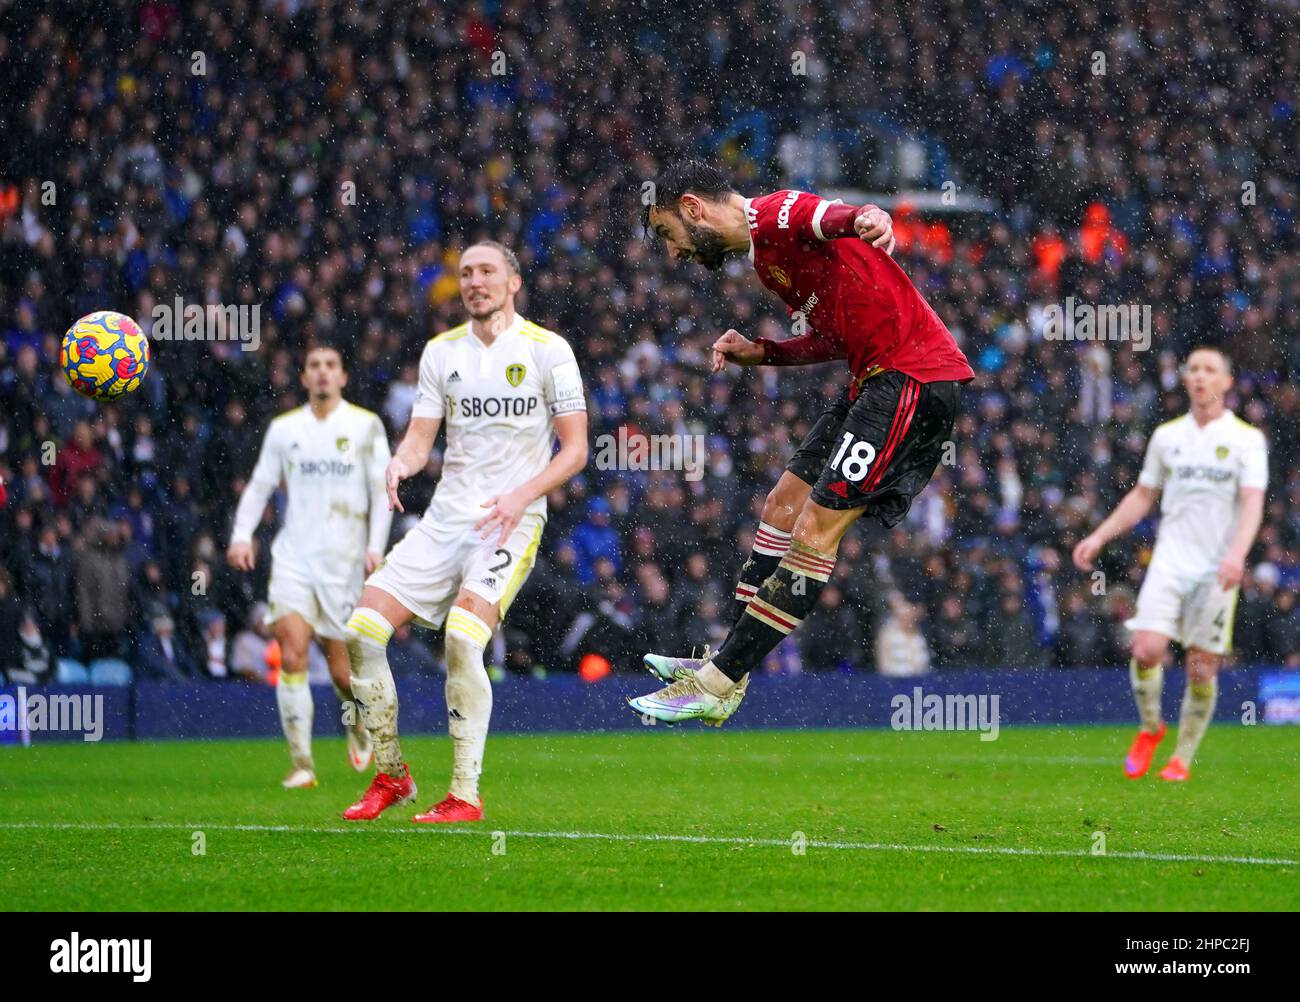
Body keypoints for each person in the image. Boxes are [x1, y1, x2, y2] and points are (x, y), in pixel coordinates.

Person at [631, 160, 972, 724]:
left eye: (668, 233)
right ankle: (724, 666)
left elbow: (836, 215)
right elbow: (833, 339)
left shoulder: (775, 214)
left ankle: (720, 681)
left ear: (693, 208)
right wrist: (764, 352)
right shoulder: (768, 264)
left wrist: (869, 217)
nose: (674, 253)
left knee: (815, 532)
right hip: (871, 378)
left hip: (914, 377)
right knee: (782, 504)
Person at [341, 241, 588, 824]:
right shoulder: (440, 353)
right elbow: (422, 437)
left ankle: (464, 795)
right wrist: (402, 462)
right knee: (360, 632)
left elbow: (575, 450)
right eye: (467, 273)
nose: (475, 281)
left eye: (487, 272)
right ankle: (392, 775)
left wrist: (522, 494)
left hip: (511, 520)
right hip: (445, 518)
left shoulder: (548, 350)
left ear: (513, 282)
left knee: (461, 638)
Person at [1073, 347, 1266, 782]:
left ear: (1226, 382)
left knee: (1202, 666)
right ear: (1186, 380)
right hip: (1170, 561)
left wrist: (1237, 555)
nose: (1200, 376)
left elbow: (1253, 504)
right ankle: (1150, 728)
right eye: (1193, 369)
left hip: (1217, 568)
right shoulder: (1167, 436)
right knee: (1146, 649)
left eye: (1210, 370)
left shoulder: (1246, 441)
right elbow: (1143, 496)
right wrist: (1100, 535)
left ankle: (1181, 756)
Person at [227, 343, 393, 789]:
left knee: (342, 671)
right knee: (292, 653)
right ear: (303, 378)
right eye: (314, 366)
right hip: (293, 559)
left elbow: (382, 493)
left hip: (343, 563)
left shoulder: (365, 426)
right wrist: (242, 535)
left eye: (331, 366)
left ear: (343, 376)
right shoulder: (285, 429)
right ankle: (302, 763)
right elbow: (260, 484)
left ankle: (356, 722)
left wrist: (376, 547)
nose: (322, 373)